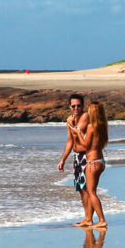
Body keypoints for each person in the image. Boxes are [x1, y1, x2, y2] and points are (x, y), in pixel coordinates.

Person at [72, 103, 109, 228]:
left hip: (92, 162)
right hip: (100, 161)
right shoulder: (102, 126)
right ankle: (89, 220)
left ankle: (102, 219)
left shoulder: (91, 127)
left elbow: (85, 145)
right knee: (91, 191)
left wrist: (77, 133)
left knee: (91, 192)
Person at [56, 94, 92, 224]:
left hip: (86, 156)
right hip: (77, 156)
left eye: (79, 105)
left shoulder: (85, 116)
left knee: (87, 188)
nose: (76, 108)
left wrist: (71, 124)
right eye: (73, 106)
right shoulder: (70, 120)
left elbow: (79, 130)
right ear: (69, 106)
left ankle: (89, 219)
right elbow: (70, 141)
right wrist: (63, 160)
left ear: (83, 106)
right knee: (81, 188)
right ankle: (87, 217)